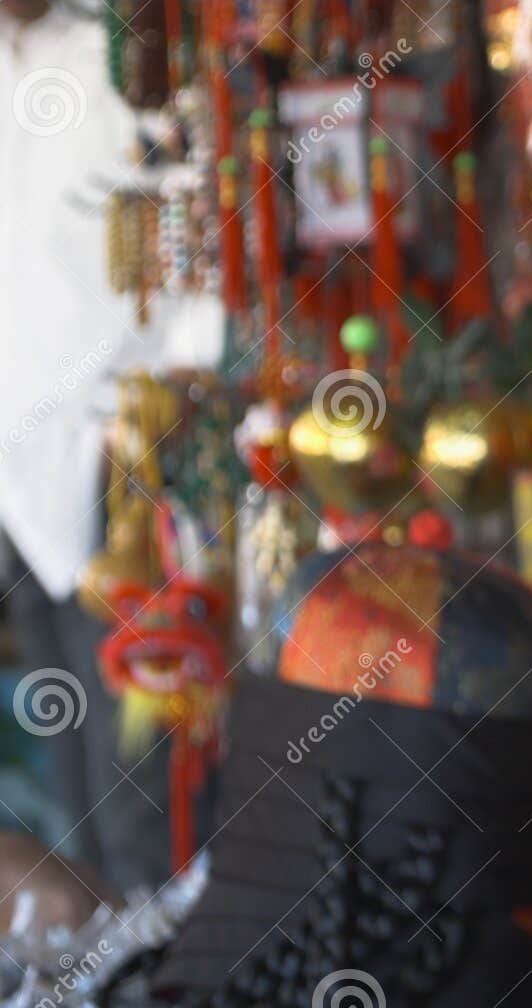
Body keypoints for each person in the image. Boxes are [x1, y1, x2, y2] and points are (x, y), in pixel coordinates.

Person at [0, 0, 169, 889]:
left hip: (116, 439)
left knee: (134, 738)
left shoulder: (115, 51)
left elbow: (183, 218)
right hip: (13, 452)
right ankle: (94, 974)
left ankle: (150, 965)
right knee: (60, 727)